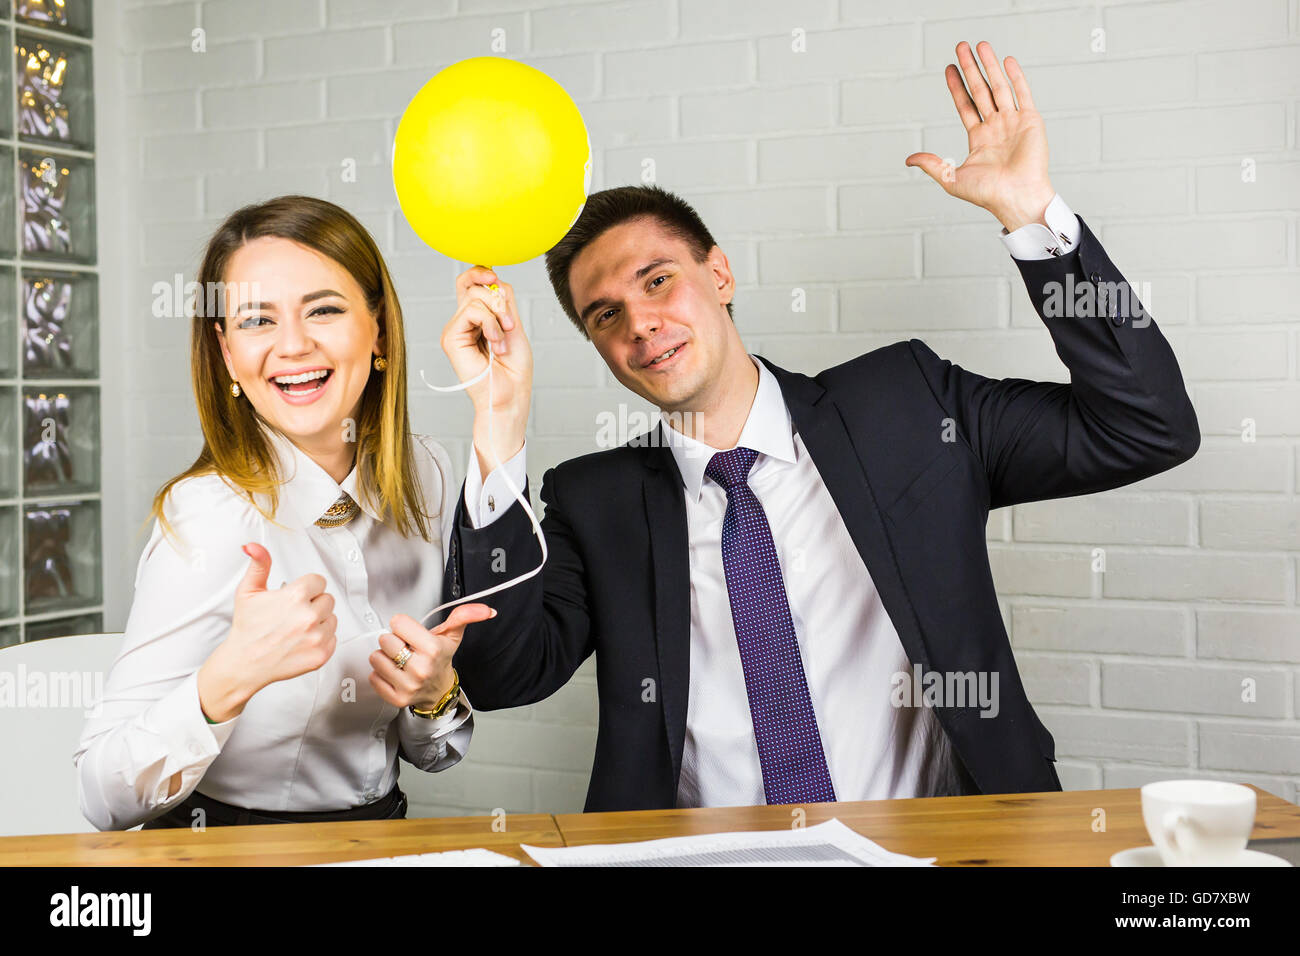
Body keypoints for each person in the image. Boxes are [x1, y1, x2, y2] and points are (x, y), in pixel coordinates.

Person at [441, 43, 1200, 811]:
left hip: (940, 852)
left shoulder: (908, 408)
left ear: (720, 274)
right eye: (606, 315)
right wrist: (498, 422)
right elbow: (505, 674)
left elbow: (1146, 425)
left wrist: (1031, 216)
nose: (642, 324)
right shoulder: (593, 500)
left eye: (659, 280)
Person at [76, 195, 503, 830]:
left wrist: (433, 695)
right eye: (257, 320)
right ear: (226, 354)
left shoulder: (430, 478)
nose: (293, 345)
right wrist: (229, 678)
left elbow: (432, 755)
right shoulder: (208, 516)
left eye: (324, 310)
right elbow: (101, 795)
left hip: (378, 843)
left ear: (378, 328)